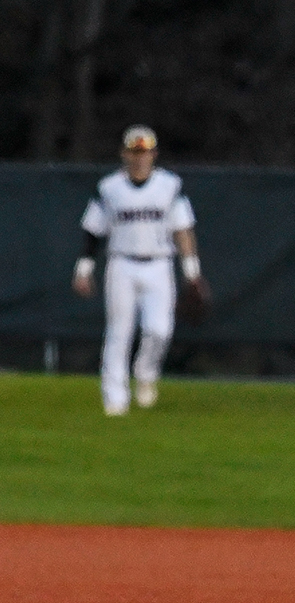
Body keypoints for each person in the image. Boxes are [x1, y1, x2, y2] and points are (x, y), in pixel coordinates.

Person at [73, 125, 203, 416]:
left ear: (154, 155)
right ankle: (114, 400)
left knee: (160, 330)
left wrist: (192, 272)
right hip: (121, 263)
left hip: (159, 263)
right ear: (124, 154)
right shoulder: (109, 188)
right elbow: (93, 232)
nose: (139, 158)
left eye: (144, 153)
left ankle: (145, 372)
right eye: (134, 152)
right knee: (118, 333)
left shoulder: (169, 186)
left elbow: (183, 230)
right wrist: (83, 269)